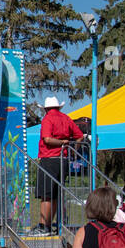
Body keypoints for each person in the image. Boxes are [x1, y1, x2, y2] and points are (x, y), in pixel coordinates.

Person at [33, 96, 84, 235]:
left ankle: (43, 226)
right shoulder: (66, 118)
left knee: (46, 195)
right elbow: (80, 136)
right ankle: (50, 225)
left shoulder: (48, 119)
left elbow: (47, 139)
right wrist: (73, 151)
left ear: (45, 108)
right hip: (64, 159)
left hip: (49, 158)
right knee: (55, 195)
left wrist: (63, 143)